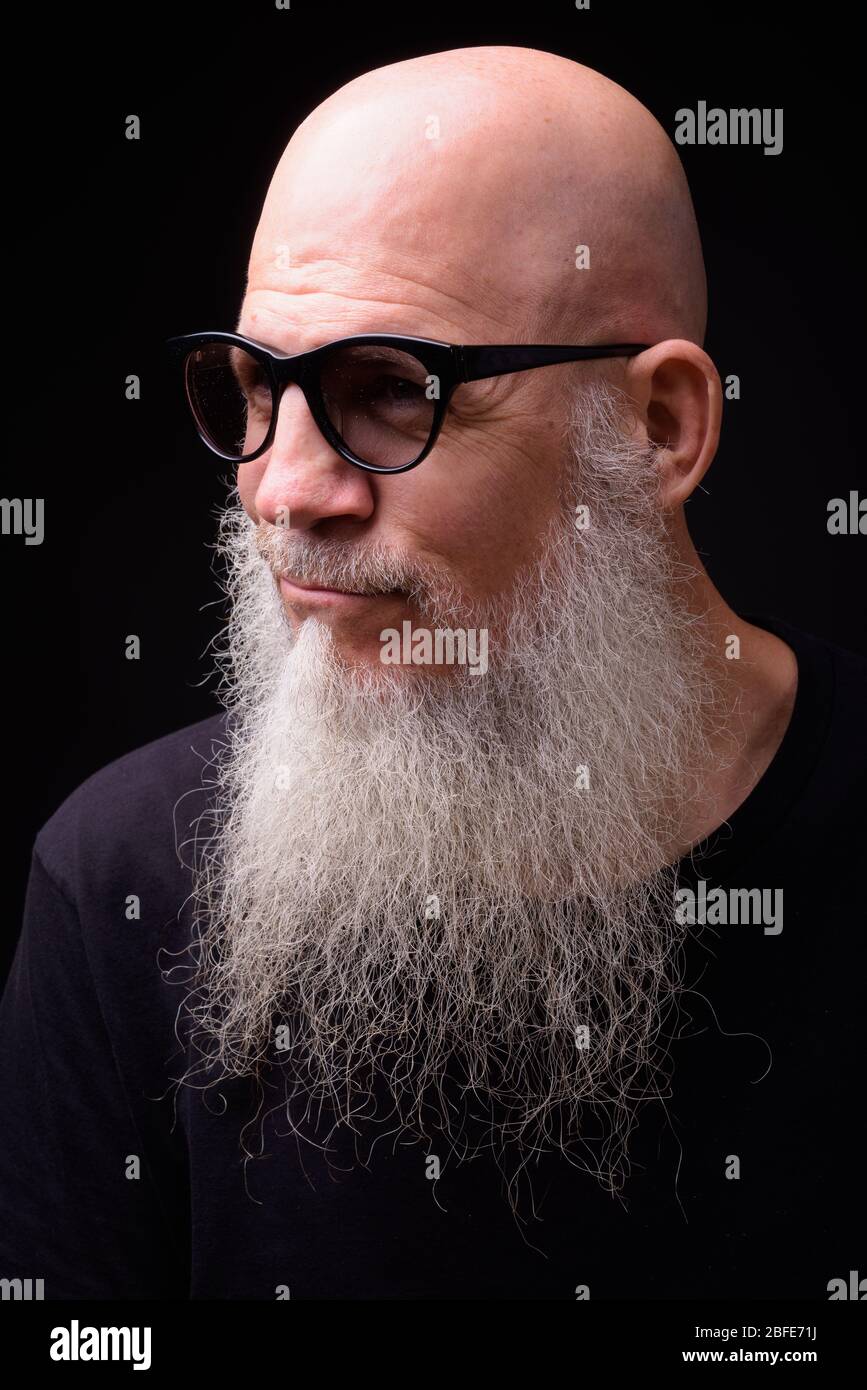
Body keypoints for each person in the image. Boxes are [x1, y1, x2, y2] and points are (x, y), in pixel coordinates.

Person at [1, 45, 864, 1301]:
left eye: (393, 393)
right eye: (253, 390)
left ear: (660, 427)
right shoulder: (118, 880)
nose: (282, 491)